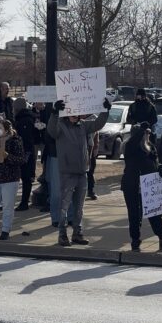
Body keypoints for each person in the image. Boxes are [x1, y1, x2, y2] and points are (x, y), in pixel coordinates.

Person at [119, 122, 162, 252]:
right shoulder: (129, 147)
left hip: (149, 187)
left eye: (148, 133)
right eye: (146, 133)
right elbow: (133, 143)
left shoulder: (150, 147)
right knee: (135, 215)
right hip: (132, 185)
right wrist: (141, 130)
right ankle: (135, 241)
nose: (147, 135)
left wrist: (160, 167)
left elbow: (156, 163)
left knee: (155, 214)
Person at [47, 103, 95, 246]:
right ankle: (62, 235)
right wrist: (54, 112)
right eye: (72, 112)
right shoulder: (61, 125)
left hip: (81, 172)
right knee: (64, 206)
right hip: (67, 172)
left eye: (77, 112)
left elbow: (98, 124)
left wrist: (106, 109)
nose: (75, 114)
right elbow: (51, 131)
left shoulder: (83, 125)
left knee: (79, 207)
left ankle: (77, 233)